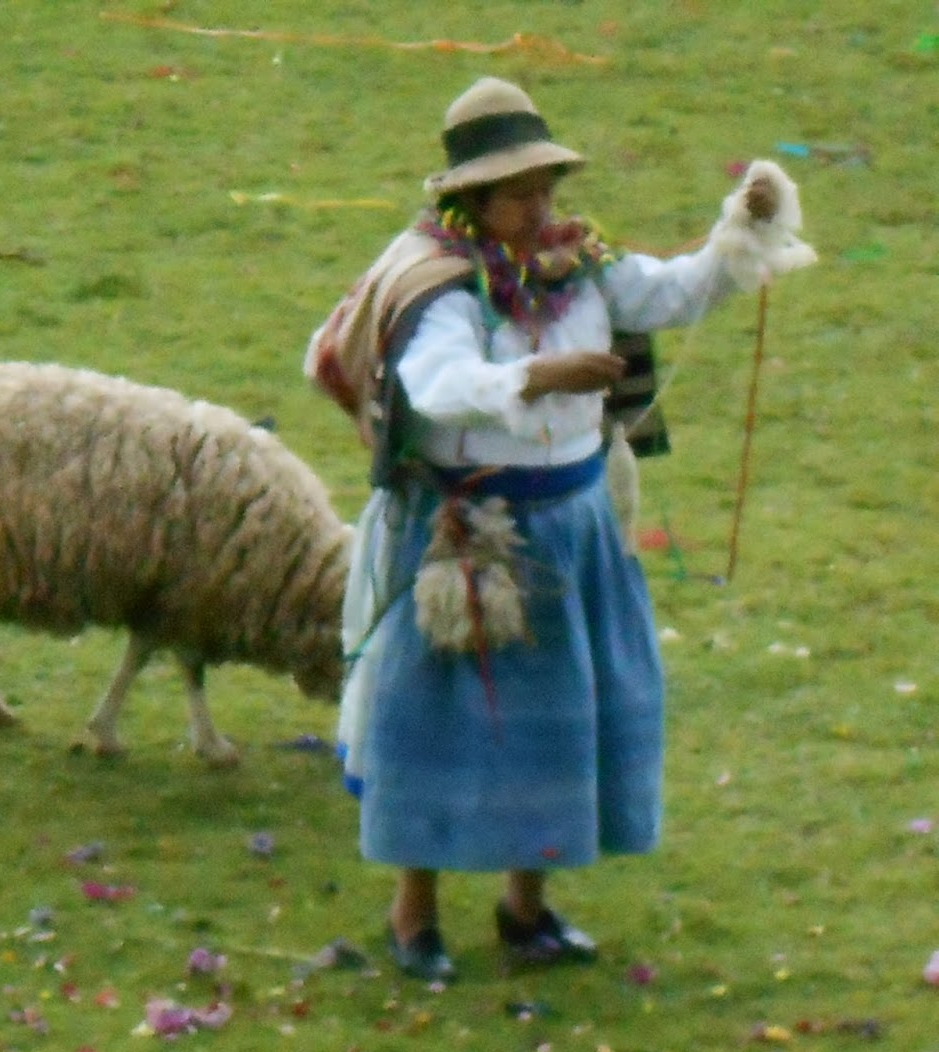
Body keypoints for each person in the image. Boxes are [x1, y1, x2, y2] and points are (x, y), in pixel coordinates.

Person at [304, 77, 815, 982]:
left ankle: (524, 909)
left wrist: (741, 224)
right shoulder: (440, 284)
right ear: (472, 198)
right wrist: (541, 377)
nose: (539, 208)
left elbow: (671, 293)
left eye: (546, 188)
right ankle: (412, 915)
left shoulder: (576, 263)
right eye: (518, 194)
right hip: (472, 534)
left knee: (557, 723)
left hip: (572, 531)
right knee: (439, 725)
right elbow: (438, 382)